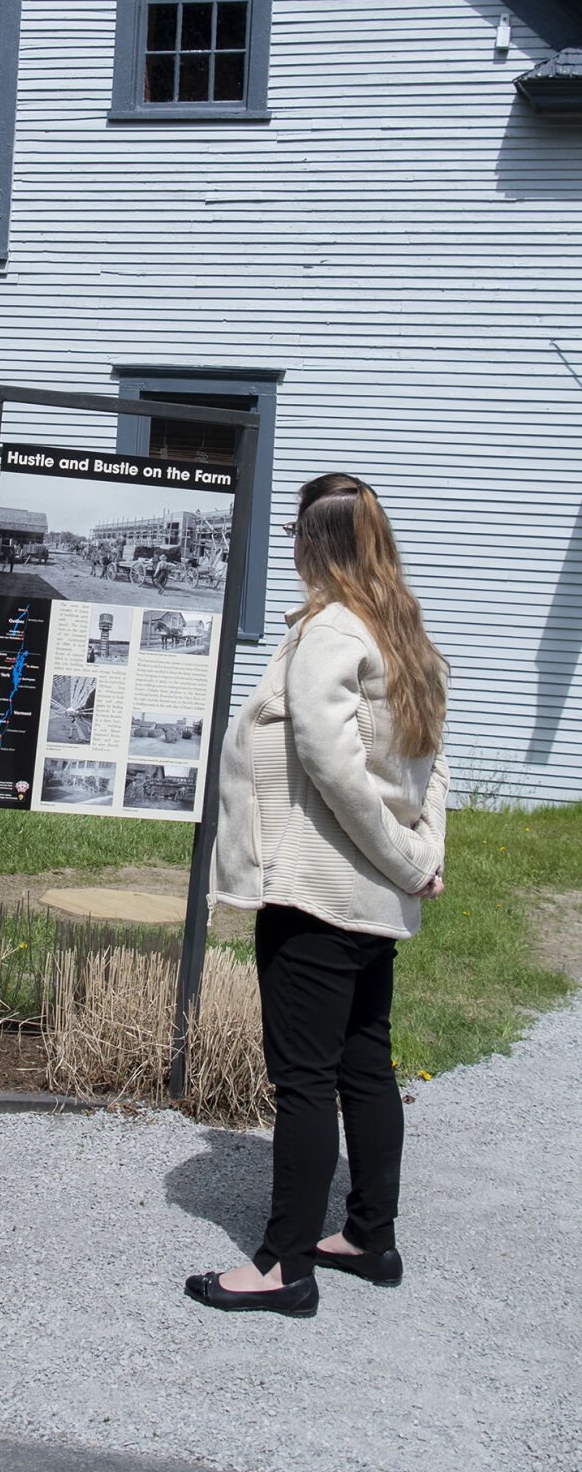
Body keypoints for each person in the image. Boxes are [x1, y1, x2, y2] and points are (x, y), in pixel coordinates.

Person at [185, 474, 448, 1320]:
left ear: (311, 544)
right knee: (362, 1063)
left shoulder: (331, 632)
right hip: (369, 895)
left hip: (317, 890)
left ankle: (281, 1266)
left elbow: (336, 769)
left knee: (303, 1079)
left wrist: (406, 860)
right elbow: (428, 770)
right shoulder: (398, 630)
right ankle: (369, 1238)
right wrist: (416, 857)